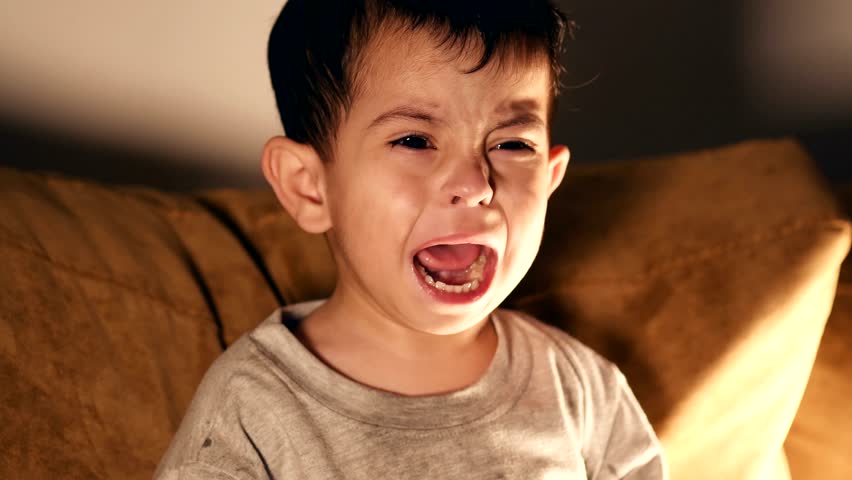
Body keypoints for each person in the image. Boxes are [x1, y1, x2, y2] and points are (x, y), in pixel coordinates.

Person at [155, 0, 667, 478]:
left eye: (512, 143)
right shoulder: (252, 405)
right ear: (309, 187)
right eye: (415, 141)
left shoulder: (581, 390)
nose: (474, 186)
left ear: (550, 180)